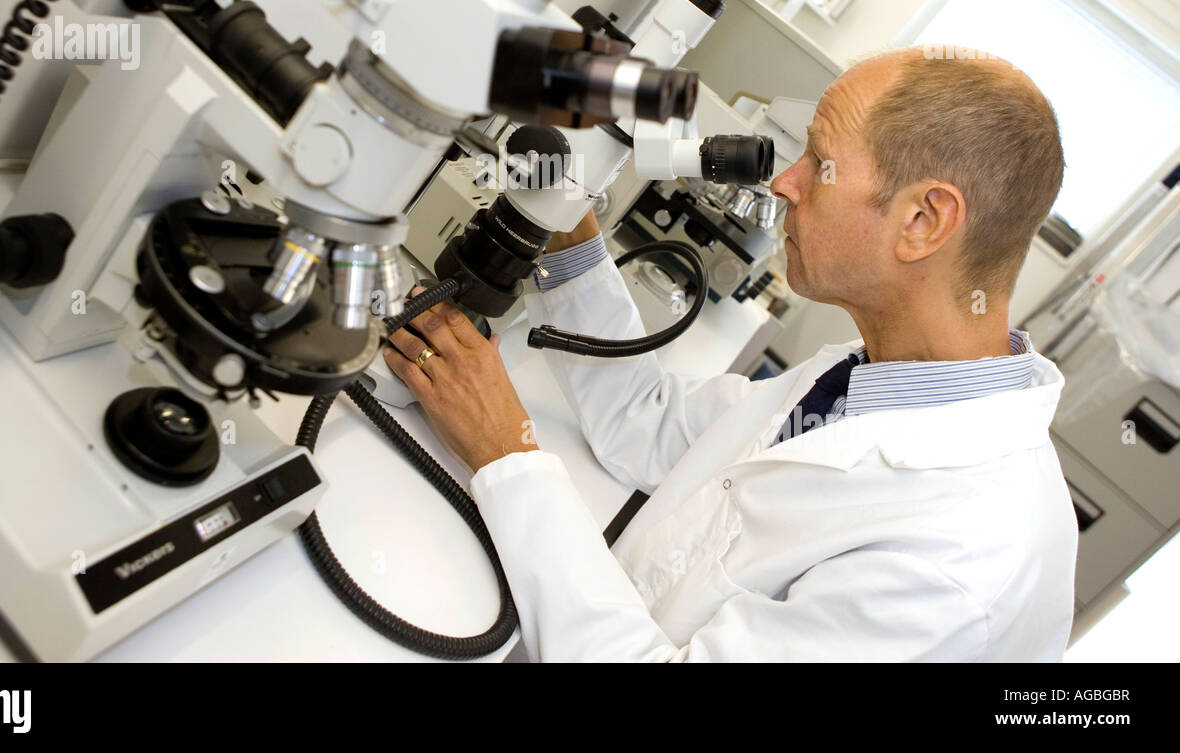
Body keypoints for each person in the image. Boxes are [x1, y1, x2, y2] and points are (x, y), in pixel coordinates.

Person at [383, 45, 1077, 661]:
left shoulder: (957, 562)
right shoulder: (872, 378)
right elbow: (656, 429)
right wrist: (567, 233)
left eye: (821, 162)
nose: (786, 182)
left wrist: (508, 454)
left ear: (924, 221)